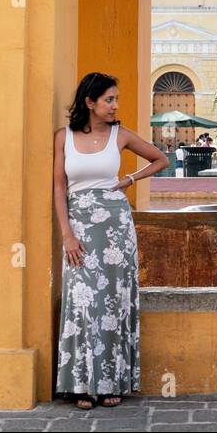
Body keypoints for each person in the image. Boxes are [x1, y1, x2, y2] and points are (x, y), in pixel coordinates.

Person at [54, 71, 168, 409]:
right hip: (80, 228)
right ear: (90, 102)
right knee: (82, 300)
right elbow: (59, 188)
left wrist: (130, 179)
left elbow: (161, 159)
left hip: (117, 229)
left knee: (113, 303)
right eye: (109, 99)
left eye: (115, 99)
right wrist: (67, 235)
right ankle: (80, 384)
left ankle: (110, 382)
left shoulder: (121, 135)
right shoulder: (64, 137)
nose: (115, 105)